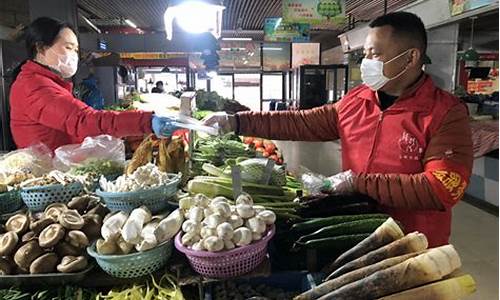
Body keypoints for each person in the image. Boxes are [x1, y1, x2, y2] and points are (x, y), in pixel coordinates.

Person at [204, 12, 473, 247]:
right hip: (355, 230)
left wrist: (358, 182)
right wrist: (237, 121)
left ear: (411, 57)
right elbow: (301, 122)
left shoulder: (445, 113)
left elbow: (441, 188)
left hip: (414, 241)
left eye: (375, 54)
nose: (367, 62)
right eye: (365, 54)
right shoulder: (358, 100)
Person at [9, 17, 178, 151]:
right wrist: (146, 121)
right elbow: (83, 121)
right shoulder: (34, 87)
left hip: (59, 168)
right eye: (68, 47)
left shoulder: (45, 82)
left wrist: (133, 131)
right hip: (48, 182)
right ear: (41, 48)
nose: (74, 55)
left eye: (76, 50)